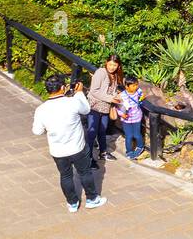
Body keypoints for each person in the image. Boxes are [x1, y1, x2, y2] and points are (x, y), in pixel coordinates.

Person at [32, 74, 106, 212]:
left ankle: (72, 203)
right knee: (85, 173)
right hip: (77, 147)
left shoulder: (41, 109)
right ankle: (92, 199)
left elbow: (37, 131)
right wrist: (79, 93)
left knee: (65, 176)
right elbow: (86, 109)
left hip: (57, 150)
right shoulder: (72, 102)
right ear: (62, 87)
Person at [86, 54, 122, 167]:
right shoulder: (100, 72)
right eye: (110, 64)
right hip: (95, 106)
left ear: (118, 66)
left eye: (115, 65)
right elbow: (94, 91)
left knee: (102, 131)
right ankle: (89, 158)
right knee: (92, 133)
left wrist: (117, 96)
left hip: (105, 107)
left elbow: (112, 90)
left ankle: (103, 153)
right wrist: (111, 98)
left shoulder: (115, 75)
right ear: (106, 63)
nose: (112, 67)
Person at [111, 75, 146, 160]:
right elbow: (117, 106)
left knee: (137, 134)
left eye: (136, 85)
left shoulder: (138, 91)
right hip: (126, 119)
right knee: (129, 136)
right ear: (126, 86)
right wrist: (121, 114)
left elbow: (143, 95)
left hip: (136, 117)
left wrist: (142, 98)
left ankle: (140, 146)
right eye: (133, 85)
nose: (136, 87)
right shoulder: (122, 95)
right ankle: (129, 151)